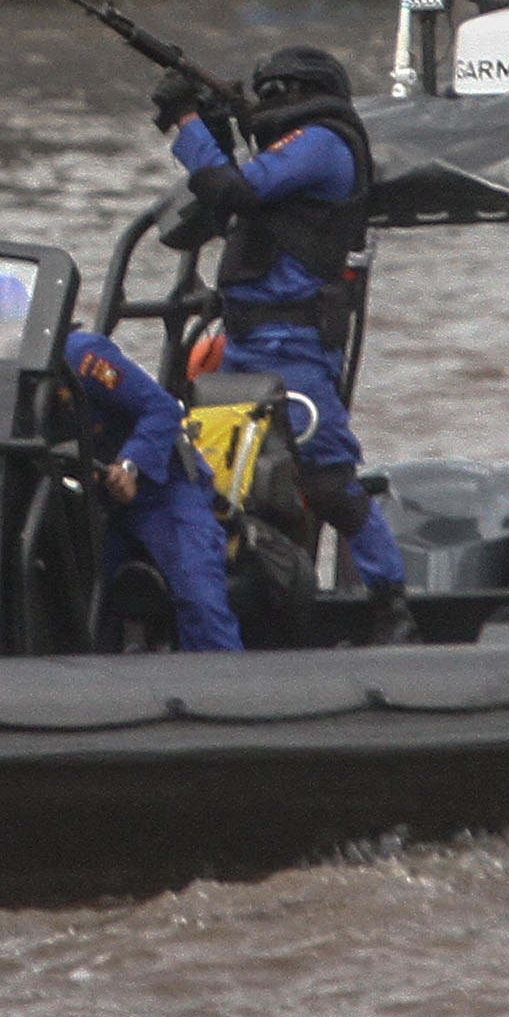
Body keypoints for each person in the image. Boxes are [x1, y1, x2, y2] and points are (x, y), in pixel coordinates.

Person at [157, 42, 407, 643]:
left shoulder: (323, 141)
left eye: (273, 94)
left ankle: (390, 606)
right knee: (218, 480)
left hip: (292, 342)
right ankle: (235, 607)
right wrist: (206, 130)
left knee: (329, 481)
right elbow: (217, 204)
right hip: (245, 340)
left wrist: (190, 123)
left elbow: (238, 191)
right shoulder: (285, 150)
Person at [59, 329, 241, 652]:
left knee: (199, 594)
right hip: (92, 503)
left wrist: (130, 466)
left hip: (161, 489)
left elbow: (162, 407)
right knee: (72, 601)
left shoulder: (82, 359)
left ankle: (225, 686)